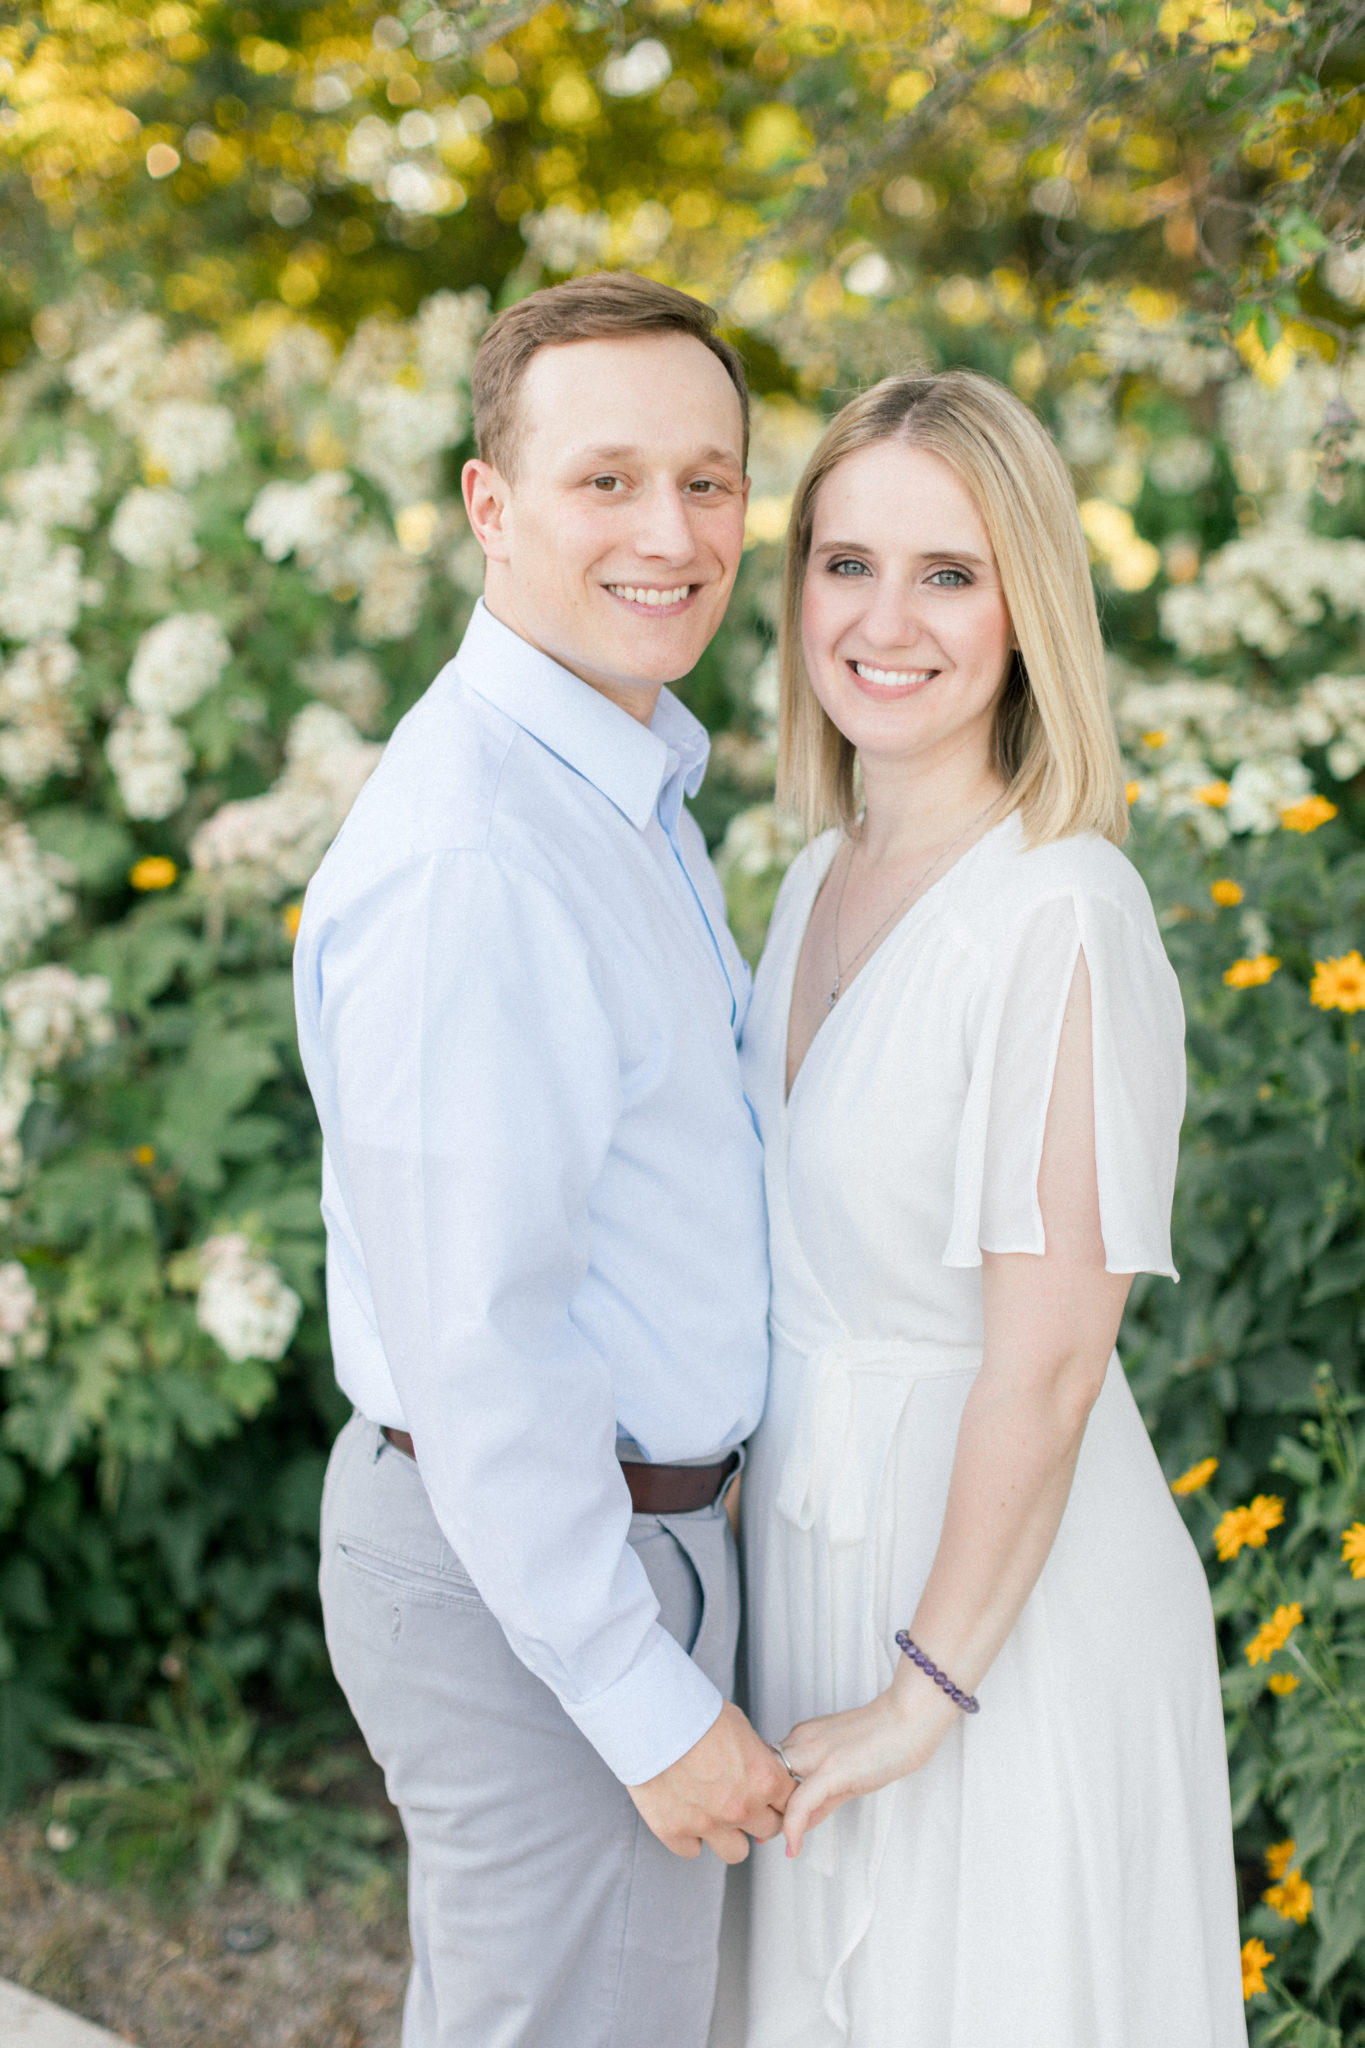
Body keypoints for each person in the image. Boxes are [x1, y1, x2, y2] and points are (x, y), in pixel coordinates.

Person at [294, 272, 791, 2048]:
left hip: (616, 1544)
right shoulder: (478, 856)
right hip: (543, 1567)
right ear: (490, 508)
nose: (672, 532)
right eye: (607, 481)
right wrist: (634, 1691)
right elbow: (483, 1338)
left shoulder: (612, 782)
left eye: (710, 480)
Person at [722, 371, 1247, 2046]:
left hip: (989, 1617)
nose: (886, 620)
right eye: (845, 561)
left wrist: (918, 1698)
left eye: (948, 573)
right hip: (810, 1572)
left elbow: (1046, 1364)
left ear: (1029, 605)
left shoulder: (1059, 911)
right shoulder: (814, 876)